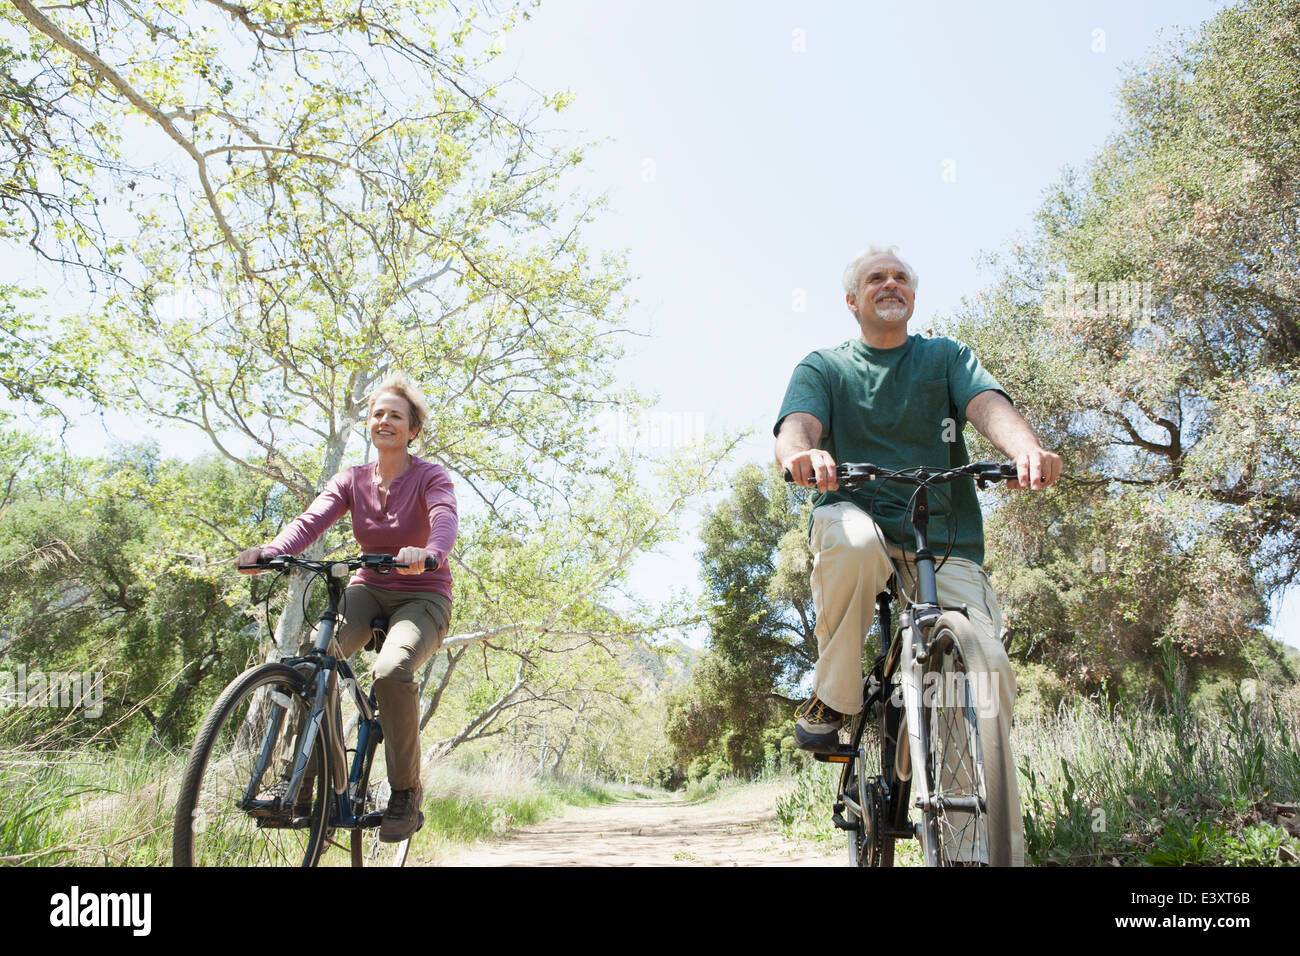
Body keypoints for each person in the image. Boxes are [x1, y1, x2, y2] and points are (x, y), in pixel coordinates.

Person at [774, 245, 1061, 866]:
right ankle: (837, 695)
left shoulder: (944, 357)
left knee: (980, 672)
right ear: (853, 300)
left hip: (944, 534)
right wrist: (802, 453)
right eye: (875, 278)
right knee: (850, 546)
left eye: (901, 277)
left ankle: (972, 855)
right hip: (861, 520)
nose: (890, 283)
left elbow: (987, 404)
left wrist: (1026, 451)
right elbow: (797, 426)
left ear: (912, 297)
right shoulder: (826, 367)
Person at [238, 372, 457, 843]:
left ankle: (405, 792)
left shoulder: (429, 476)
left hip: (423, 593)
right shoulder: (352, 480)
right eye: (378, 414)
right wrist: (272, 550)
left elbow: (444, 517)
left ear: (412, 429)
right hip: (367, 588)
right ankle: (302, 780)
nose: (384, 421)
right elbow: (311, 519)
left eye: (395, 415)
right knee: (317, 663)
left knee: (391, 668)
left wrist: (431, 551)